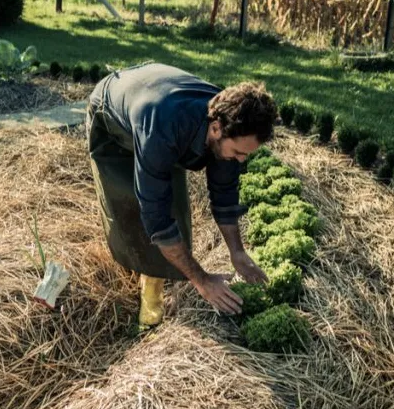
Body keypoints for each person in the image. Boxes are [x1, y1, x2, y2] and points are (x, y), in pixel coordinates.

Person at [85, 62, 277, 326]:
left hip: (156, 104)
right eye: (239, 152)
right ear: (216, 128)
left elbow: (224, 193)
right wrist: (202, 280)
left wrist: (238, 252)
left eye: (246, 153)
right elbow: (157, 217)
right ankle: (143, 279)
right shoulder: (162, 130)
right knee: (129, 205)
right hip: (111, 117)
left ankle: (155, 273)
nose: (241, 159)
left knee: (174, 204)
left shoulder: (229, 121)